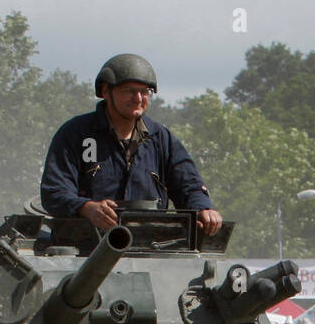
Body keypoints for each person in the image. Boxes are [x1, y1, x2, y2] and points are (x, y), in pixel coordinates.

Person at [41, 54, 221, 235]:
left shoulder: (160, 138)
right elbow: (54, 192)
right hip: (87, 248)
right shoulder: (76, 133)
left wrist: (203, 208)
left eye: (145, 92)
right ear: (105, 91)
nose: (138, 98)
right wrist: (86, 207)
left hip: (150, 247)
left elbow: (188, 185)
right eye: (128, 91)